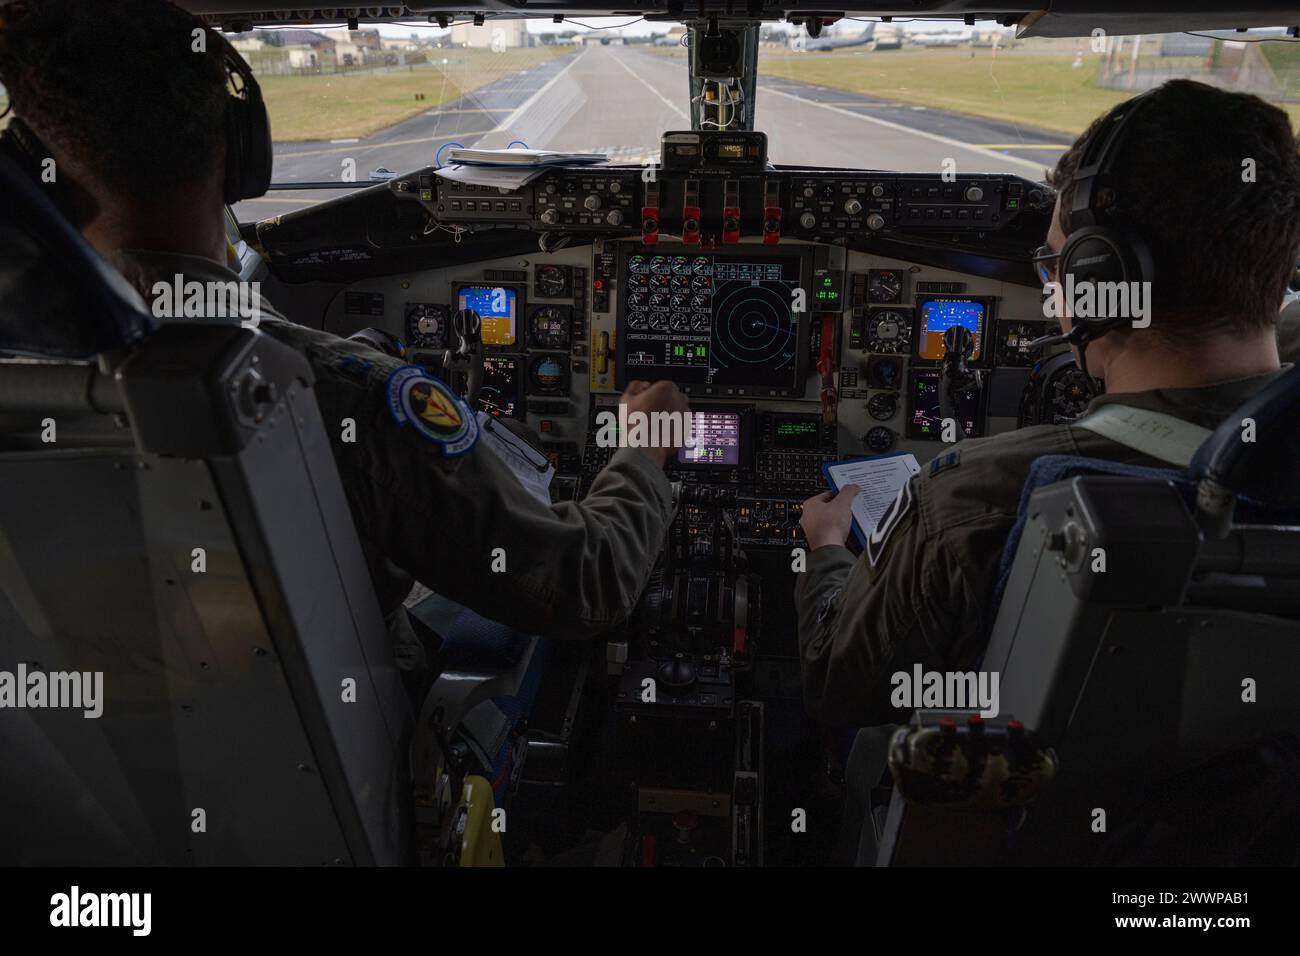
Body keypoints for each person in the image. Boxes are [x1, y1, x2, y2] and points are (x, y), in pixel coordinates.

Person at [0, 0, 688, 683]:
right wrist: (643, 450)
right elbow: (584, 584)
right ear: (243, 153)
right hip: (369, 758)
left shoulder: (27, 386)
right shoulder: (334, 393)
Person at [796, 79, 1300, 727]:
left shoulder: (968, 499)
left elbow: (840, 686)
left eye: (1054, 264)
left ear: (1099, 281)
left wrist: (828, 548)